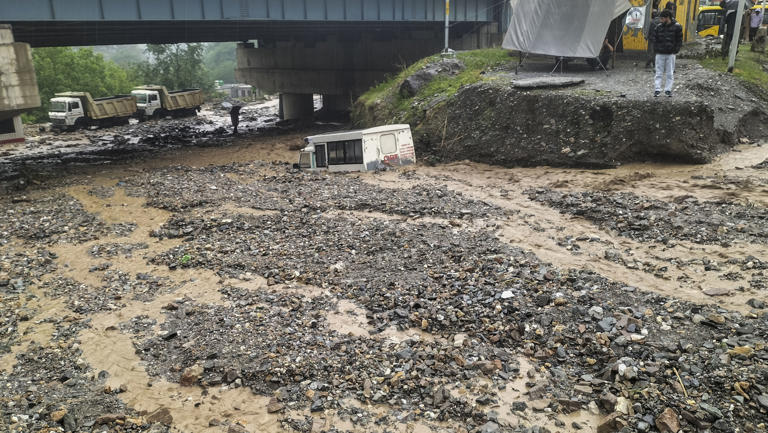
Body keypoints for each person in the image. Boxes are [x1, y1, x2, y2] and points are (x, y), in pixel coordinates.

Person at [652, 9, 683, 97]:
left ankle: (668, 90)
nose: (660, 20)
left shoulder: (677, 27)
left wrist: (675, 50)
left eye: (662, 18)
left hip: (670, 54)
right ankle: (657, 89)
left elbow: (679, 40)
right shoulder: (658, 27)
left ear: (667, 18)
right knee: (658, 72)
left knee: (670, 73)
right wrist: (656, 48)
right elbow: (654, 39)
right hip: (660, 53)